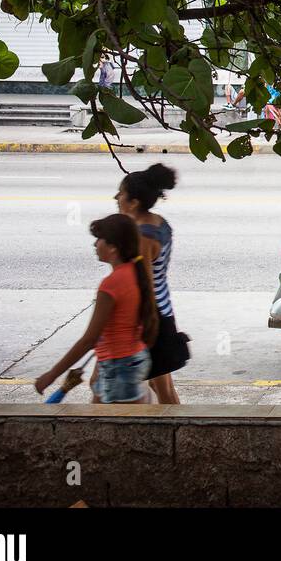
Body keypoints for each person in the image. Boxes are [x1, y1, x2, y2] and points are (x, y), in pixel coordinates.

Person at [35, 214, 159, 404]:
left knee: (121, 429)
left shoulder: (111, 284)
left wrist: (51, 376)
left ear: (112, 247)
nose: (95, 245)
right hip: (131, 360)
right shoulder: (135, 272)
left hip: (119, 368)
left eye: (99, 239)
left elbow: (88, 340)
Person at [116, 163, 188, 404]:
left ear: (134, 202)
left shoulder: (143, 236)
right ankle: (177, 431)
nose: (116, 198)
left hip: (149, 317)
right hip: (161, 312)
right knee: (163, 387)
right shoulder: (158, 222)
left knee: (110, 383)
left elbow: (142, 283)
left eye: (121, 194)